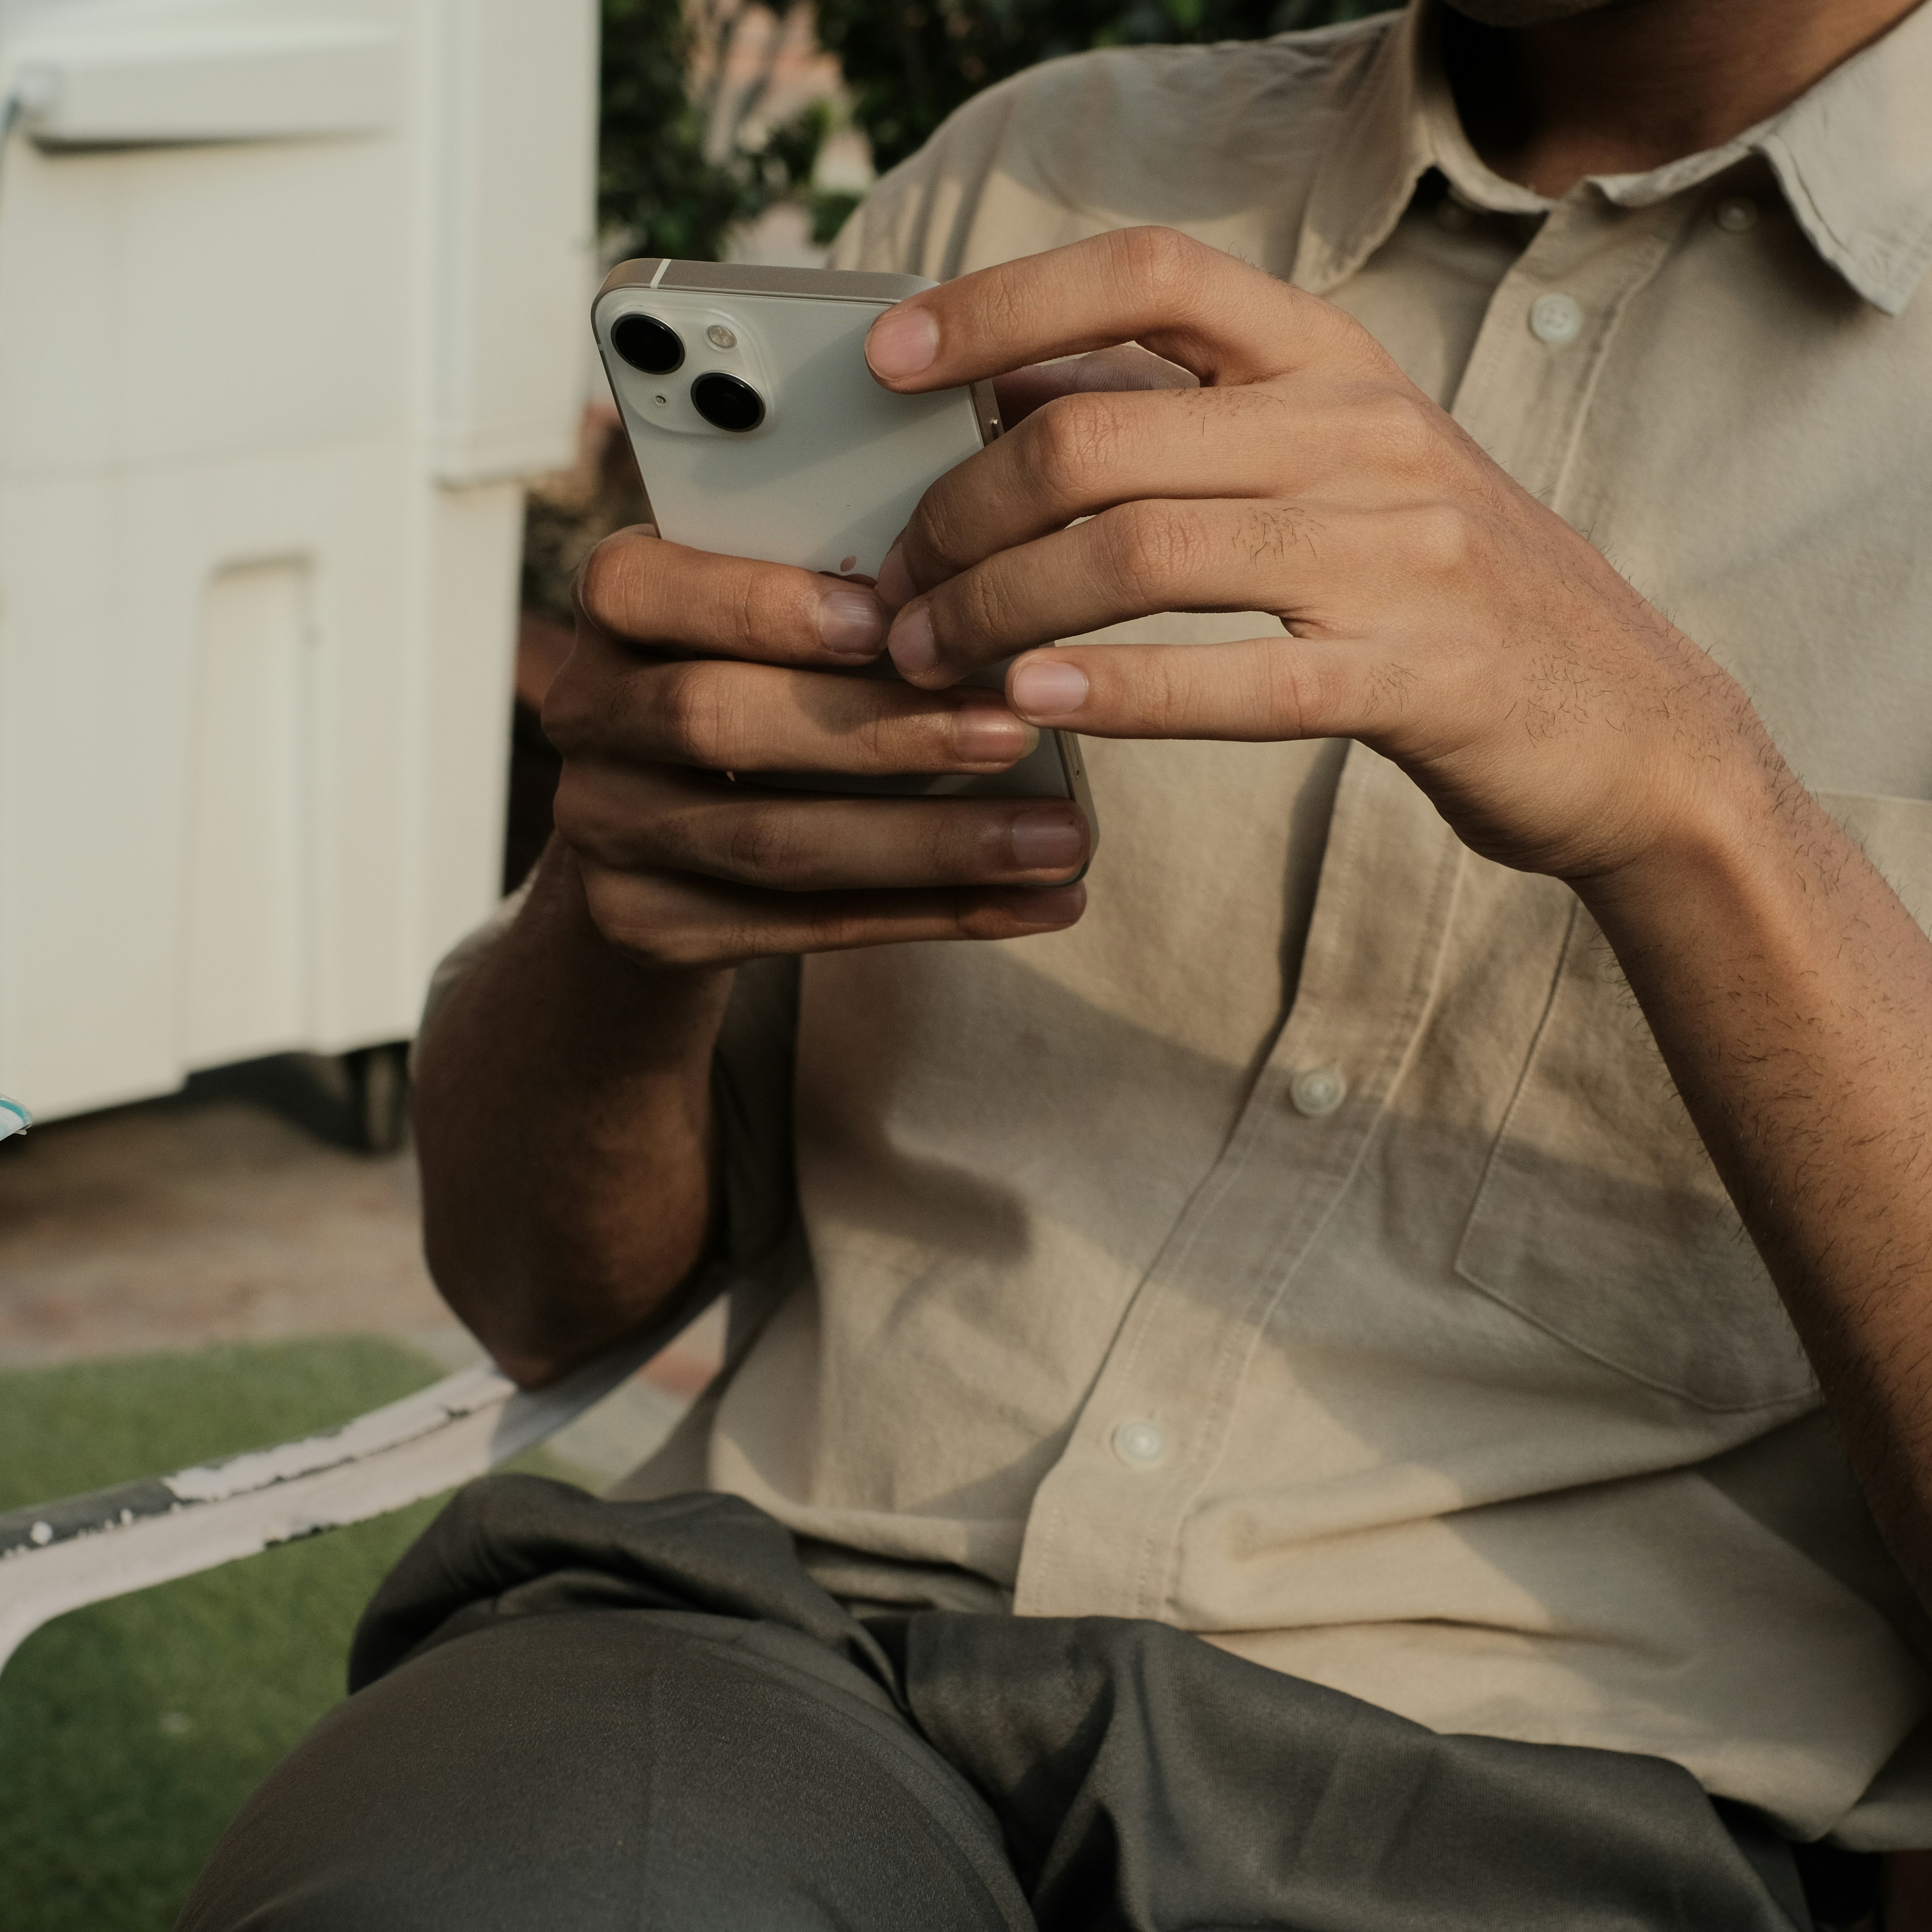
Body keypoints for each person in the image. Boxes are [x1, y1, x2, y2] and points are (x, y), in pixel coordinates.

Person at [181, 0, 1932, 1926]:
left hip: (1549, 1802)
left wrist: (1697, 804)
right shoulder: (1022, 193)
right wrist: (612, 906)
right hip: (751, 1667)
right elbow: (536, 1289)